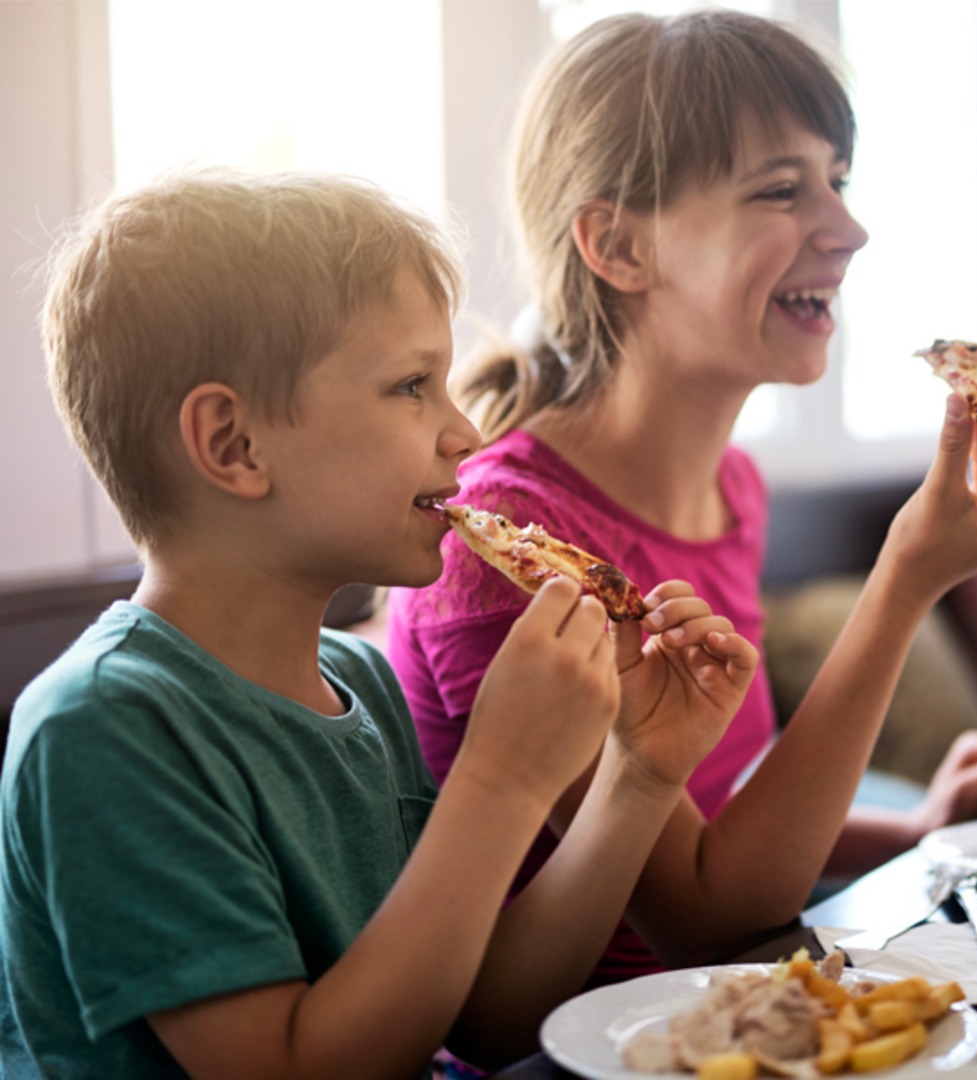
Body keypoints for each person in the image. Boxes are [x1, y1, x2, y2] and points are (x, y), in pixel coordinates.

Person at [0, 168, 761, 1079]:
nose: (466, 434)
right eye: (411, 386)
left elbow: (484, 1019)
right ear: (233, 445)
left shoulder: (357, 686)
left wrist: (637, 778)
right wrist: (504, 779)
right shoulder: (107, 726)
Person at [386, 8, 977, 987]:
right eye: (781, 192)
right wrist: (908, 574)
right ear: (618, 247)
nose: (849, 229)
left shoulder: (729, 488)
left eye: (836, 181)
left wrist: (911, 827)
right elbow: (704, 917)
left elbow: (714, 813)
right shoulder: (511, 552)